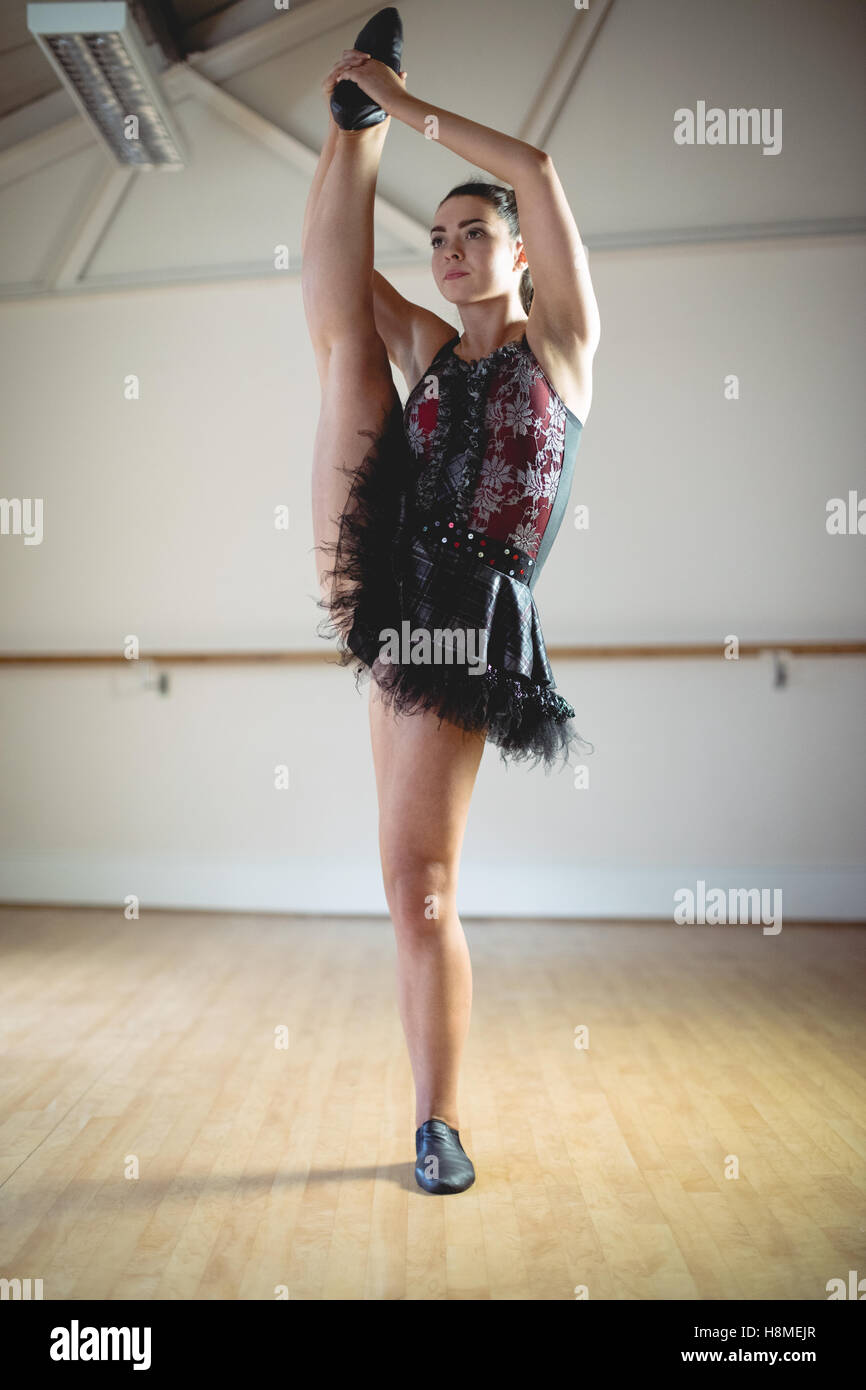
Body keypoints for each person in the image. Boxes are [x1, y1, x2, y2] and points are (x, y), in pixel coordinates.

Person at [301, 8, 601, 1194]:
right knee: (338, 335)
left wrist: (406, 99)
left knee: (419, 884)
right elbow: (338, 279)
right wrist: (359, 129)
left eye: (472, 233)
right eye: (437, 237)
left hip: (465, 621)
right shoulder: (430, 349)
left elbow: (537, 167)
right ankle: (348, 139)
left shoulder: (561, 347)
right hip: (391, 592)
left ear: (520, 253)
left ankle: (439, 1122)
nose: (450, 250)